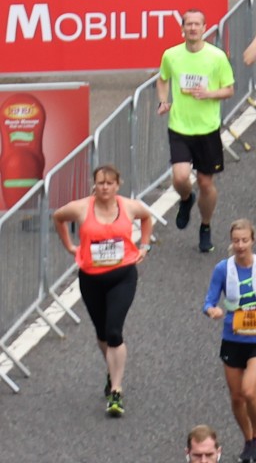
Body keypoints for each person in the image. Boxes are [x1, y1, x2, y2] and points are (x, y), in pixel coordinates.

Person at [54, 162, 152, 417]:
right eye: (100, 183)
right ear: (94, 185)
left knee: (114, 331)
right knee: (102, 335)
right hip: (91, 278)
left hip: (122, 276)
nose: (105, 187)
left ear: (117, 185)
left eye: (110, 183)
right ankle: (111, 369)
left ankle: (116, 390)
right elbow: (58, 217)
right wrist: (70, 246)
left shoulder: (128, 206)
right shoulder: (80, 207)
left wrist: (144, 245)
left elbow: (147, 216)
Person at [202, 219, 256, 461]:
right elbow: (209, 300)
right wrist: (211, 311)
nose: (240, 245)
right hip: (233, 337)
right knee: (236, 396)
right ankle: (248, 440)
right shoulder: (222, 269)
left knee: (249, 391)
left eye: (244, 240)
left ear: (253, 240)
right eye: (236, 241)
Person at [162, 8, 237, 253]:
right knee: (181, 177)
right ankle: (186, 199)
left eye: (197, 24)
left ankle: (205, 226)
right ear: (182, 28)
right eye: (188, 24)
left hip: (207, 129)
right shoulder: (171, 55)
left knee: (205, 183)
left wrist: (209, 94)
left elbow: (229, 89)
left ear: (205, 28)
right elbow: (162, 78)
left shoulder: (216, 57)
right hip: (180, 127)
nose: (192, 28)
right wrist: (163, 100)